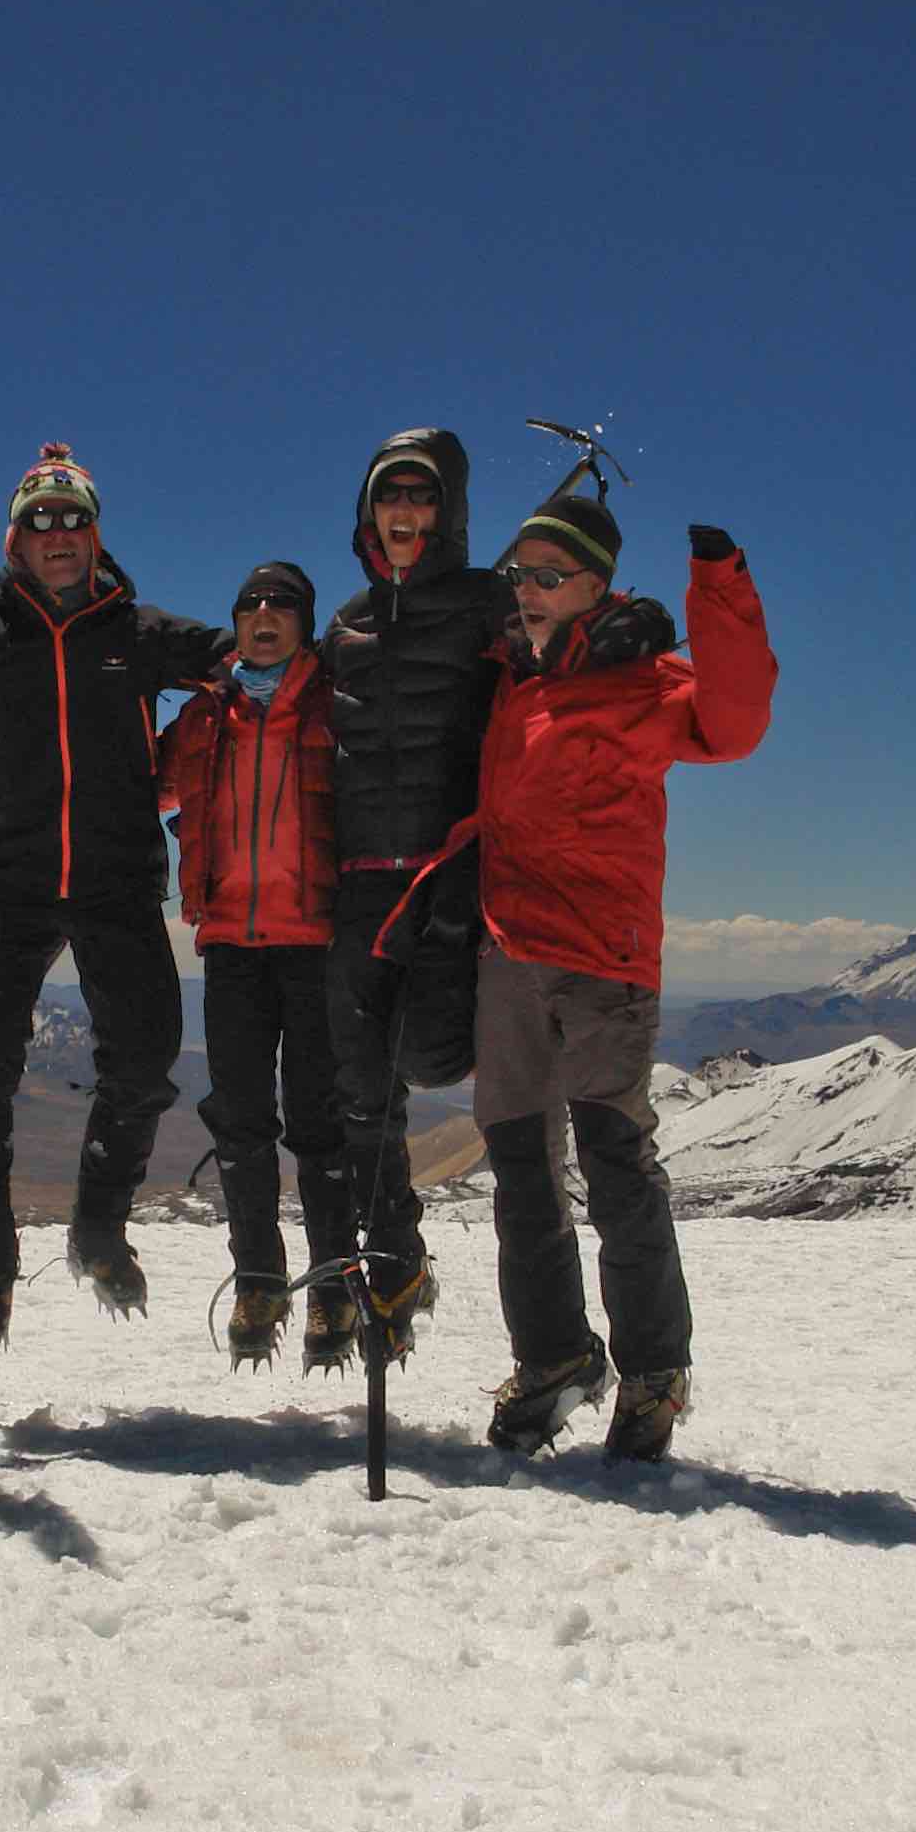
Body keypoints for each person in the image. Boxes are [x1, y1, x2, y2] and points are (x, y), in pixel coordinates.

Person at [388, 495, 774, 1461]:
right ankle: (555, 1356)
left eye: (549, 575)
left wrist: (718, 587)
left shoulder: (641, 678)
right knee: (520, 1168)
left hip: (603, 959)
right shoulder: (513, 681)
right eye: (519, 573)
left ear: (596, 586)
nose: (527, 589)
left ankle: (654, 1372)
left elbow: (734, 725)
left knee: (614, 1164)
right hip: (507, 957)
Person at [0, 444, 230, 1343]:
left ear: (95, 537)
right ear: (16, 541)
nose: (58, 533)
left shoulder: (138, 634)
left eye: (73, 520)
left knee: (144, 1061)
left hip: (118, 883)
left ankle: (98, 1227)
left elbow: (248, 653)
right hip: (11, 886)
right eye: (40, 520)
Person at [313, 429, 507, 1367]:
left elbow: (558, 652)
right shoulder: (347, 623)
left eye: (422, 495)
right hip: (358, 880)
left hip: (446, 872)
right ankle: (395, 1256)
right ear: (367, 510)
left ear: (449, 510)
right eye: (389, 493)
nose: (404, 510)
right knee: (359, 1086)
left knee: (430, 1054)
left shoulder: (488, 603)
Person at [155, 560, 340, 1365]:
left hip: (317, 942)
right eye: (250, 605)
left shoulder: (336, 706)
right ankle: (259, 1278)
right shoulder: (204, 717)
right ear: (235, 624)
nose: (264, 616)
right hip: (230, 943)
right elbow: (147, 785)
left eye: (282, 606)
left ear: (305, 624)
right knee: (240, 1122)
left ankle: (333, 1285)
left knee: (321, 1123)